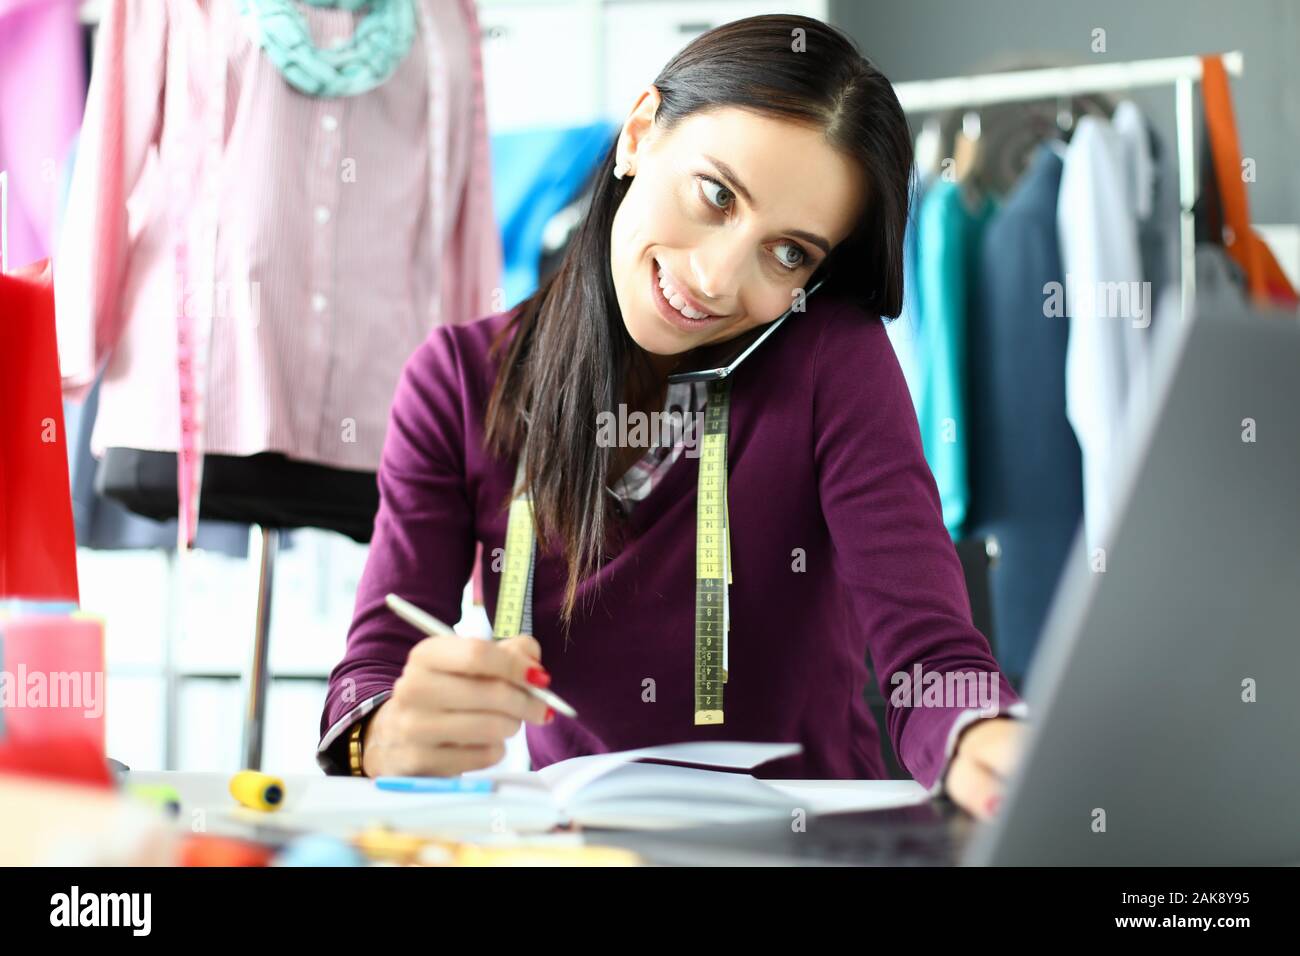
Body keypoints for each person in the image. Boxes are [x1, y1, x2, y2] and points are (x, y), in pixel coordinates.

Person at [319, 14, 1026, 821]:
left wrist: (981, 738)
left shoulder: (836, 363)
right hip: (579, 844)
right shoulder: (456, 383)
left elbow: (931, 659)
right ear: (640, 133)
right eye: (717, 195)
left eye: (788, 252)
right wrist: (380, 737)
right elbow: (370, 674)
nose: (719, 279)